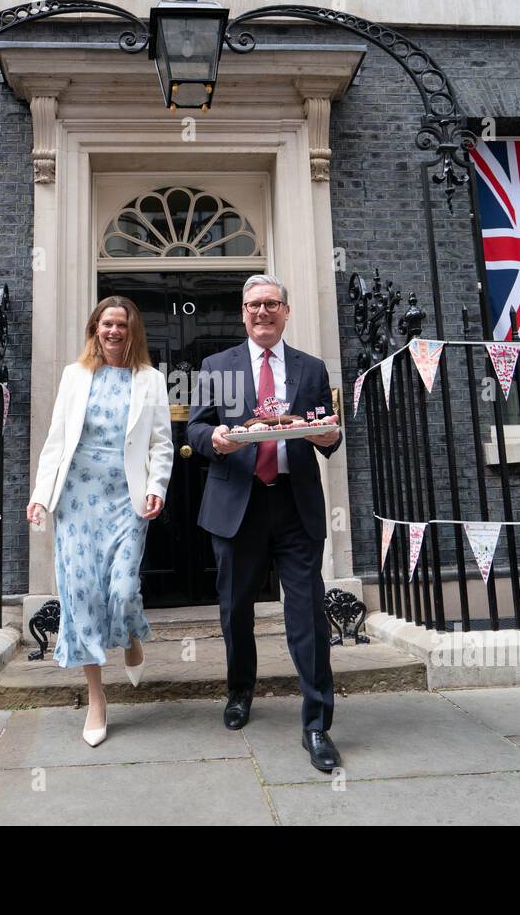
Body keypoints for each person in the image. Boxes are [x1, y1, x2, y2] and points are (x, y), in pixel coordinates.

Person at [187, 274, 345, 772]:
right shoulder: (217, 365)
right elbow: (194, 425)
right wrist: (219, 438)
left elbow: (329, 433)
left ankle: (317, 724)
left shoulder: (311, 368)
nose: (263, 313)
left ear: (286, 311)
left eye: (272, 304)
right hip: (238, 504)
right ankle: (239, 692)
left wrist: (322, 436)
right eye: (254, 305)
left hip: (294, 507)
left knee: (308, 615)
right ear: (242, 312)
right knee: (236, 610)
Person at [26, 296, 174, 747]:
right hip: (76, 499)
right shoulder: (75, 376)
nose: (114, 332)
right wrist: (40, 496)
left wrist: (158, 487)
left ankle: (130, 631)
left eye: (122, 325)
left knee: (123, 588)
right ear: (95, 328)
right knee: (84, 594)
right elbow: (56, 440)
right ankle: (96, 697)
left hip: (125, 498)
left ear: (132, 332)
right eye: (107, 324)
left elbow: (161, 443)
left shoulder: (150, 380)